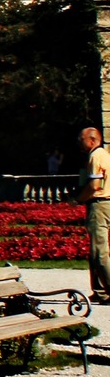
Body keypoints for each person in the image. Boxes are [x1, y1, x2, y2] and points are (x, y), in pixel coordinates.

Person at [82, 128, 110, 302]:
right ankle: (100, 291)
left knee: (99, 252)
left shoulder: (95, 156)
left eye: (82, 139)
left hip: (99, 204)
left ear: (92, 140)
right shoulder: (106, 155)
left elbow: (94, 185)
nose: (79, 142)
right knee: (95, 251)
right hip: (107, 203)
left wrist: (78, 198)